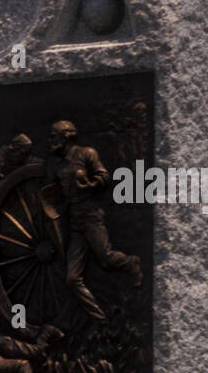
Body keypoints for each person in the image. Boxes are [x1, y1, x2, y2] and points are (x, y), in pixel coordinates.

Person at [45, 120, 141, 321]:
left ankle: (131, 263)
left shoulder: (86, 154)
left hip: (90, 215)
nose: (51, 140)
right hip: (74, 221)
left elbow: (104, 176)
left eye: (54, 136)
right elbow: (53, 194)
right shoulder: (57, 164)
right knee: (72, 279)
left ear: (67, 136)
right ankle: (100, 319)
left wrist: (90, 185)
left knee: (105, 259)